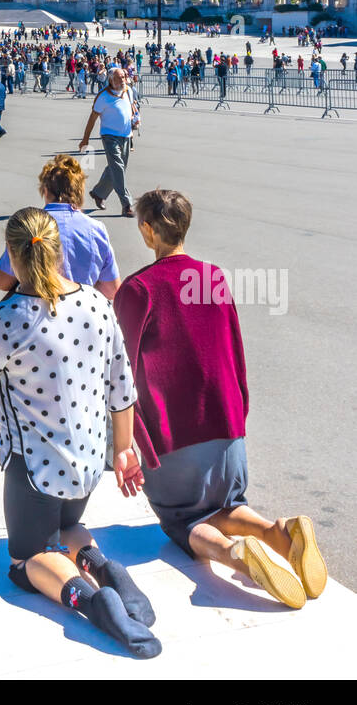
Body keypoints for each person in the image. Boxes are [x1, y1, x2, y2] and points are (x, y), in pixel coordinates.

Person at [0, 206, 160, 658]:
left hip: (35, 470)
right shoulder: (96, 303)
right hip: (90, 462)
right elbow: (122, 386)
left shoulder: (3, 318)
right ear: (59, 253)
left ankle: (92, 600)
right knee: (68, 526)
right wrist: (125, 449)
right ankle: (108, 570)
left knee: (26, 559)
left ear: (12, 259)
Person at [115, 189, 326, 610]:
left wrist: (129, 443)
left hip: (173, 438)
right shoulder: (211, 278)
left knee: (184, 519)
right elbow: (235, 350)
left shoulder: (137, 290)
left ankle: (236, 554)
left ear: (147, 230)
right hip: (226, 424)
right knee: (226, 503)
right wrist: (238, 412)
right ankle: (278, 531)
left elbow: (121, 374)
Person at [0, 155, 121, 301]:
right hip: (81, 313)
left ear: (46, 190)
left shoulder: (32, 225)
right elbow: (112, 289)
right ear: (79, 191)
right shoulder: (96, 229)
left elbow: (2, 281)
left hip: (32, 313)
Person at [79, 66, 136, 216]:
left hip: (126, 135)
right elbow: (92, 118)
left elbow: (131, 107)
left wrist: (134, 118)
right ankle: (126, 204)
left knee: (116, 169)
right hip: (109, 136)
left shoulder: (128, 90)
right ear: (111, 80)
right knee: (117, 167)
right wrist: (85, 139)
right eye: (119, 78)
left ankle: (98, 193)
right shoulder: (103, 96)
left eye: (123, 77)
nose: (122, 80)